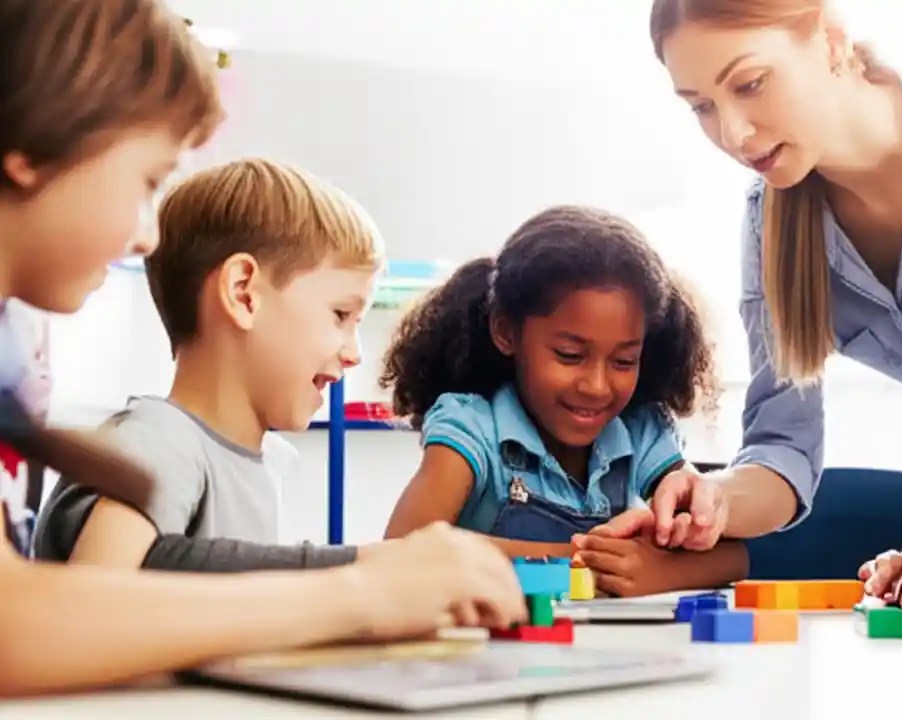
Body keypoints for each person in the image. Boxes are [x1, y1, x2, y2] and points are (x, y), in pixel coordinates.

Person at [0, 0, 523, 697]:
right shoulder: (158, 437)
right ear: (32, 149)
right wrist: (361, 586)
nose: (147, 236)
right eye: (148, 180)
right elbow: (39, 618)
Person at [628, 0, 902, 608]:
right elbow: (782, 446)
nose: (734, 133)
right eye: (701, 107)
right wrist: (715, 500)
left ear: (831, 40)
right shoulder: (768, 222)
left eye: (750, 84)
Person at [34, 157, 395, 571]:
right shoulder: (159, 441)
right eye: (340, 315)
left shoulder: (269, 460)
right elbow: (93, 595)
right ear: (243, 294)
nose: (355, 353)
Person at [381, 205, 747, 597]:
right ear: (506, 332)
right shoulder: (474, 428)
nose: (596, 386)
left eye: (624, 361)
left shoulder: (639, 431)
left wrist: (658, 571)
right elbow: (403, 551)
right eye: (570, 355)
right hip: (491, 653)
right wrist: (589, 564)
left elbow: (734, 557)